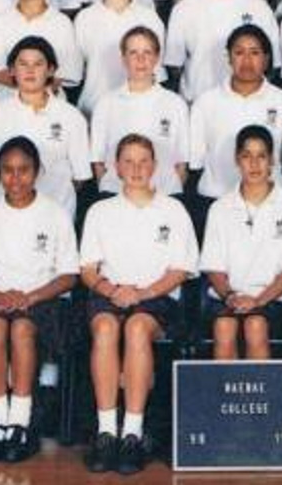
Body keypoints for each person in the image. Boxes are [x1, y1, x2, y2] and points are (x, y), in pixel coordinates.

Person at [80, 134, 199, 474]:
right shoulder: (100, 210)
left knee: (135, 327)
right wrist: (110, 289)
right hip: (110, 295)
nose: (136, 169)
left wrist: (142, 294)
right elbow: (87, 268)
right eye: (128, 161)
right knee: (105, 327)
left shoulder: (173, 210)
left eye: (143, 161)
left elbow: (181, 269)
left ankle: (132, 431)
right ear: (116, 167)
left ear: (155, 166)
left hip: (156, 299)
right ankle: (106, 432)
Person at [0, 137, 80, 463]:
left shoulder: (55, 214)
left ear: (38, 172)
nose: (16, 179)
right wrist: (1, 297)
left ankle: (20, 423)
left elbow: (69, 274)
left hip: (44, 301)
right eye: (8, 171)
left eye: (23, 170)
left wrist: (31, 297)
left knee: (21, 330)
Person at [200, 126, 282, 360]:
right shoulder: (219, 208)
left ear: (272, 160)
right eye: (247, 156)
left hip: (277, 300)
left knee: (255, 325)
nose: (254, 164)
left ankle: (259, 398)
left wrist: (257, 301)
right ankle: (224, 396)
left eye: (261, 156)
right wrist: (230, 297)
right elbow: (214, 268)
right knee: (224, 327)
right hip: (227, 300)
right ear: (237, 160)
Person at [189, 25, 282, 235]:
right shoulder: (206, 102)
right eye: (239, 52)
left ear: (266, 58)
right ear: (228, 57)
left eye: (254, 53)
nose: (247, 60)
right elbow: (195, 162)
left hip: (269, 204)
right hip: (215, 197)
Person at [0, 36, 92, 218]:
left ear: (51, 70)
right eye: (23, 64)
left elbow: (79, 176)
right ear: (12, 70)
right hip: (6, 217)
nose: (30, 70)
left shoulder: (71, 117)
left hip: (56, 216)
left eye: (38, 64)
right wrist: (17, 195)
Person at [91, 26, 189, 197]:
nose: (141, 60)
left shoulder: (175, 103)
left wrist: (165, 197)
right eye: (133, 53)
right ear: (123, 59)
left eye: (147, 53)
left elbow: (182, 163)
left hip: (164, 195)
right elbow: (98, 162)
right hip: (116, 196)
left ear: (157, 58)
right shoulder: (106, 104)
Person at [74, 0, 167, 117]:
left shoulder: (150, 18)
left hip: (140, 111)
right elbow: (77, 70)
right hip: (93, 109)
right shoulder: (84, 19)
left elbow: (156, 74)